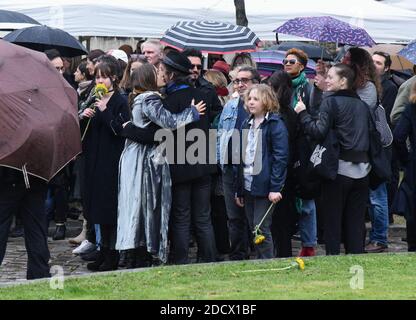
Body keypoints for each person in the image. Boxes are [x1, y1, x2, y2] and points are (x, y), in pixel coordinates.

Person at [116, 63, 205, 267]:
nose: (162, 75)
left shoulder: (137, 97)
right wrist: (192, 112)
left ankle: (132, 252)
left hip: (133, 156)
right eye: (157, 73)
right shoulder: (150, 98)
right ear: (148, 78)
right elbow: (170, 122)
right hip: (145, 159)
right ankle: (142, 252)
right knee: (147, 204)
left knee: (134, 204)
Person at [295, 64, 371, 255]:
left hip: (338, 170)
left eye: (330, 77)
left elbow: (318, 132)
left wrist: (302, 113)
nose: (326, 80)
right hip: (363, 170)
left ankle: (333, 259)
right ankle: (355, 263)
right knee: (355, 222)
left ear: (343, 81)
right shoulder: (362, 104)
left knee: (332, 221)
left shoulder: (331, 102)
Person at [79, 56, 130, 271]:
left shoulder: (119, 100)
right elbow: (85, 131)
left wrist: (104, 110)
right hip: (93, 160)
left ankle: (112, 254)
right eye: (97, 77)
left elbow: (120, 130)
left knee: (108, 209)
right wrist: (84, 115)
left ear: (114, 78)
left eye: (104, 77)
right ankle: (101, 249)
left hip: (110, 162)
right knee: (95, 208)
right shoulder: (94, 97)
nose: (100, 81)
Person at [342, 47, 389, 253]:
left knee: (376, 196)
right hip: (356, 147)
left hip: (370, 148)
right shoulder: (354, 85)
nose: (343, 60)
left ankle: (380, 238)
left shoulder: (367, 87)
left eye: (347, 59)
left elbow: (359, 111)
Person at [235, 84, 289, 259]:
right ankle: (261, 260)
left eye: (256, 99)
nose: (251, 102)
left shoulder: (275, 124)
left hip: (266, 185)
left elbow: (281, 158)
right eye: (249, 98)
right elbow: (241, 158)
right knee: (253, 227)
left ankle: (267, 263)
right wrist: (239, 189)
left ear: (266, 101)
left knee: (261, 227)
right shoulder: (246, 123)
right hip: (249, 182)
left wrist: (275, 187)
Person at [217, 66, 260, 260]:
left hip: (253, 168)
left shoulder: (263, 106)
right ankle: (238, 255)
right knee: (234, 216)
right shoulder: (230, 105)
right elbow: (220, 134)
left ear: (255, 83)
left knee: (254, 217)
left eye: (245, 80)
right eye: (237, 81)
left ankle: (260, 253)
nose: (240, 84)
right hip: (230, 167)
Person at [284, 48, 320, 256]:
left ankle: (309, 244)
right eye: (285, 61)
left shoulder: (309, 88)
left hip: (304, 147)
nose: (287, 64)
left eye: (291, 61)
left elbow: (315, 115)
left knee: (306, 198)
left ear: (302, 66)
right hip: (286, 145)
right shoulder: (281, 85)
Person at [268, 70, 299, 257]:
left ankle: (279, 253)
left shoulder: (279, 117)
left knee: (278, 219)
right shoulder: (290, 113)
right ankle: (282, 252)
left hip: (279, 172)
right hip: (287, 172)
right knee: (283, 219)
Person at [0, 168, 51, 279]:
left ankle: (40, 274)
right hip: (35, 174)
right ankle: (40, 274)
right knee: (36, 228)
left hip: (9, 176)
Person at [372, 51, 400, 224]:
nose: (374, 65)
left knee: (386, 178)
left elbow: (386, 117)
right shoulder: (370, 85)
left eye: (379, 63)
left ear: (387, 68)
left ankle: (387, 215)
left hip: (385, 141)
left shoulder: (389, 87)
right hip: (375, 139)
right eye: (372, 61)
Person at [393, 81, 416, 252]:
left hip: (414, 163)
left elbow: (398, 136)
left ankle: (413, 244)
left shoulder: (411, 108)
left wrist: (406, 159)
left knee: (413, 204)